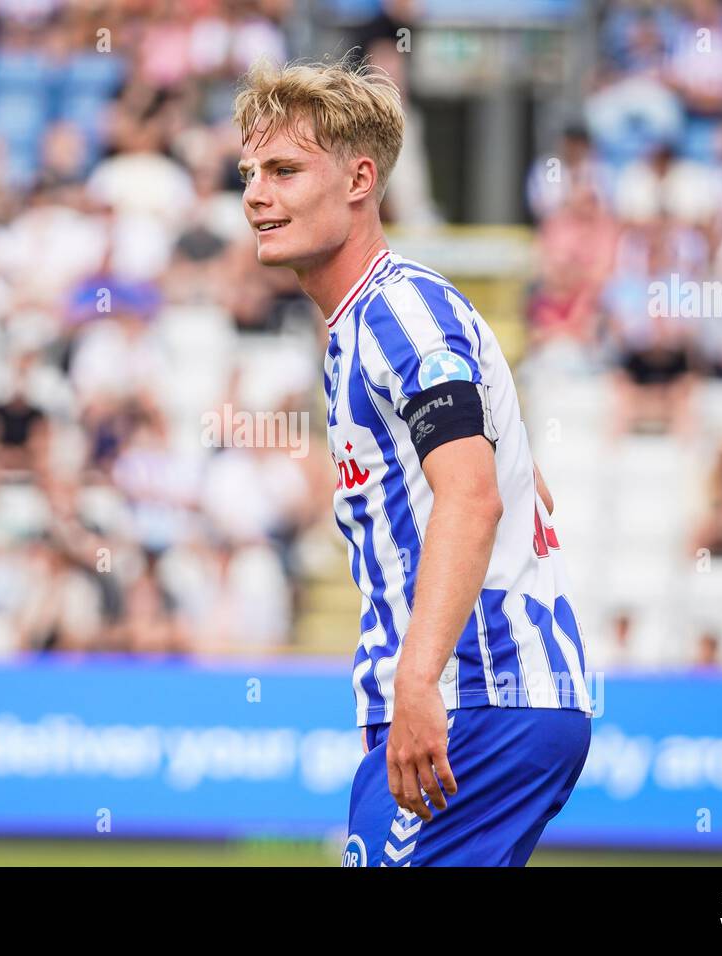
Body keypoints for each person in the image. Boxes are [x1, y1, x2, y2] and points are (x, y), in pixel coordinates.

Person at [233, 57, 592, 867]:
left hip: (477, 690)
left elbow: (472, 497)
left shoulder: (397, 310)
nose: (256, 193)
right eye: (250, 172)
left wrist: (418, 681)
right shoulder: (367, 323)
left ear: (361, 179)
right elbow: (513, 476)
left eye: (285, 170)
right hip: (481, 694)